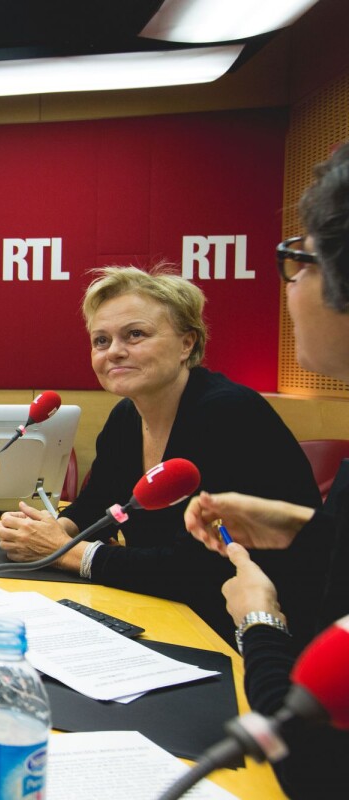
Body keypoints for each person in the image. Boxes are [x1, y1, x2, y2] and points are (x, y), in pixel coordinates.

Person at [0, 266, 323, 645]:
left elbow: (196, 569)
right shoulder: (126, 416)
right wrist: (45, 532)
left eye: (135, 334)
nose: (114, 351)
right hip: (175, 613)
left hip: (258, 635)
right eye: (101, 341)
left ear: (187, 344)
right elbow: (95, 507)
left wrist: (66, 553)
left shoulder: (228, 414)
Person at [184, 144, 349, 798]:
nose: (292, 283)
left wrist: (260, 623)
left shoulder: (227, 410)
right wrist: (302, 525)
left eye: (299, 260)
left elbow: (312, 759)